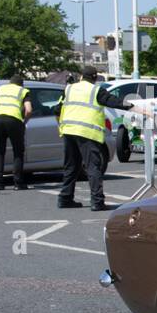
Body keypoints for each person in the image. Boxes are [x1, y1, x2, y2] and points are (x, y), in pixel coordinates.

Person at [57, 66, 133, 212]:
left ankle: (65, 199)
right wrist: (136, 107)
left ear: (81, 77)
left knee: (71, 166)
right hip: (87, 133)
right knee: (93, 167)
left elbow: (57, 109)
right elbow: (115, 102)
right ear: (94, 78)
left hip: (68, 131)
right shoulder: (95, 90)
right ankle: (97, 202)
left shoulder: (68, 89)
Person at [0, 75, 32, 190]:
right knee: (18, 151)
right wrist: (24, 122)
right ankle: (18, 183)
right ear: (21, 84)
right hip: (13, 120)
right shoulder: (23, 91)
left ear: (10, 83)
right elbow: (28, 110)